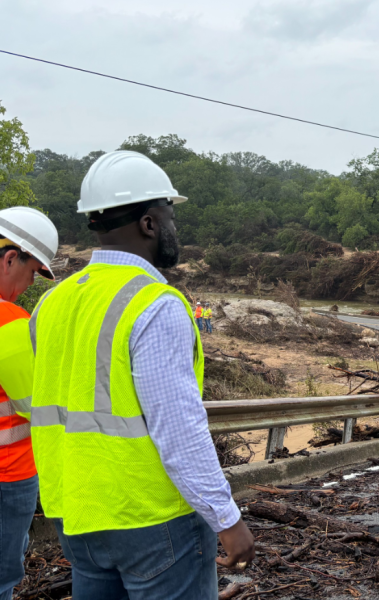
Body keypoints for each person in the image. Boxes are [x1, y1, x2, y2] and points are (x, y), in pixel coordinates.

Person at [29, 150, 255, 599]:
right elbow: (178, 428)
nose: (175, 228)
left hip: (75, 514)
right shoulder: (154, 304)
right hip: (152, 520)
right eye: (170, 214)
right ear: (149, 223)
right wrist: (226, 519)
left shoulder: (49, 304)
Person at [0, 207, 58, 600]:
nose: (31, 283)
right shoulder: (8, 318)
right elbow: (35, 403)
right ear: (9, 258)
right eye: (33, 271)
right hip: (9, 475)